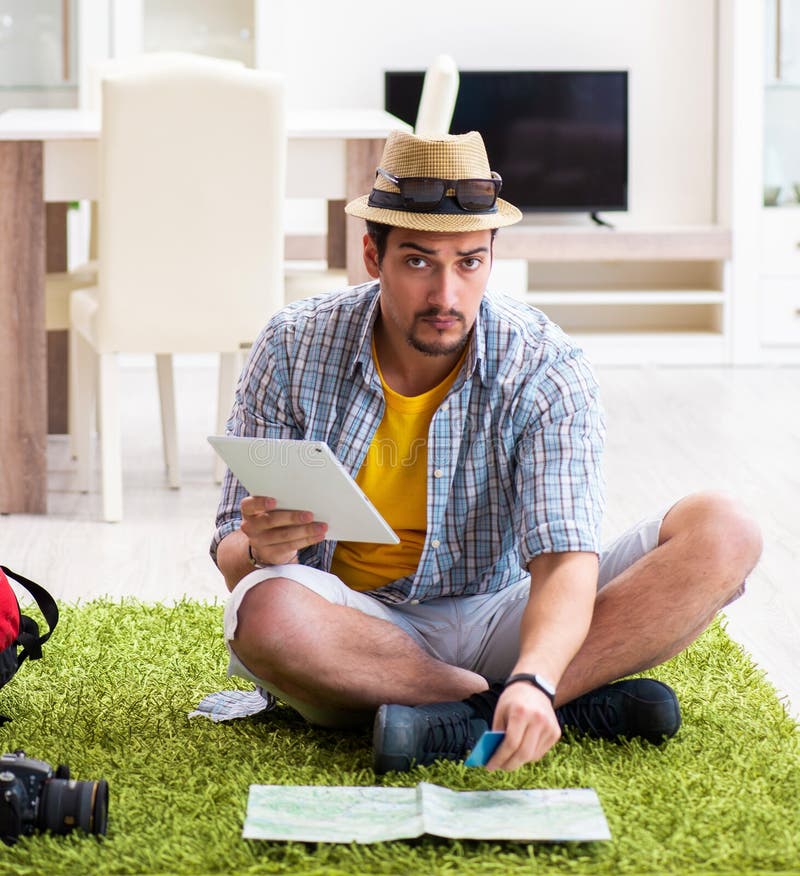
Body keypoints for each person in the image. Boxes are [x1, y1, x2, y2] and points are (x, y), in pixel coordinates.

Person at [211, 130, 762, 773]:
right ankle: (539, 707)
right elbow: (231, 554)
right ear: (373, 255)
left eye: (469, 262)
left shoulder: (544, 365)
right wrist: (262, 549)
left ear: (491, 258)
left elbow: (563, 559)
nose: (446, 296)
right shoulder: (293, 345)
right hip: (352, 621)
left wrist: (535, 673)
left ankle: (472, 711)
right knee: (263, 610)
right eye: (419, 262)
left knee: (727, 530)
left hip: (505, 613)